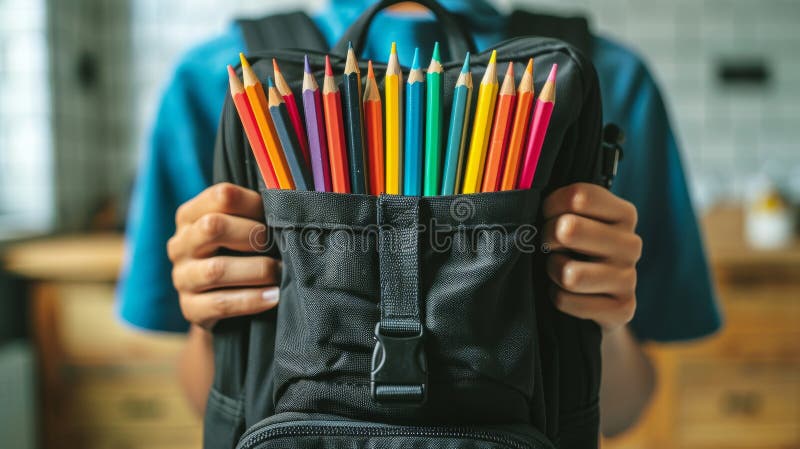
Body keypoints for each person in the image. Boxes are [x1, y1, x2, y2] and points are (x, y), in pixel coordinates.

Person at [118, 0, 721, 437]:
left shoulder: (607, 78)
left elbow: (625, 410)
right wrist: (213, 319)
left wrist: (598, 324)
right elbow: (215, 405)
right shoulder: (214, 80)